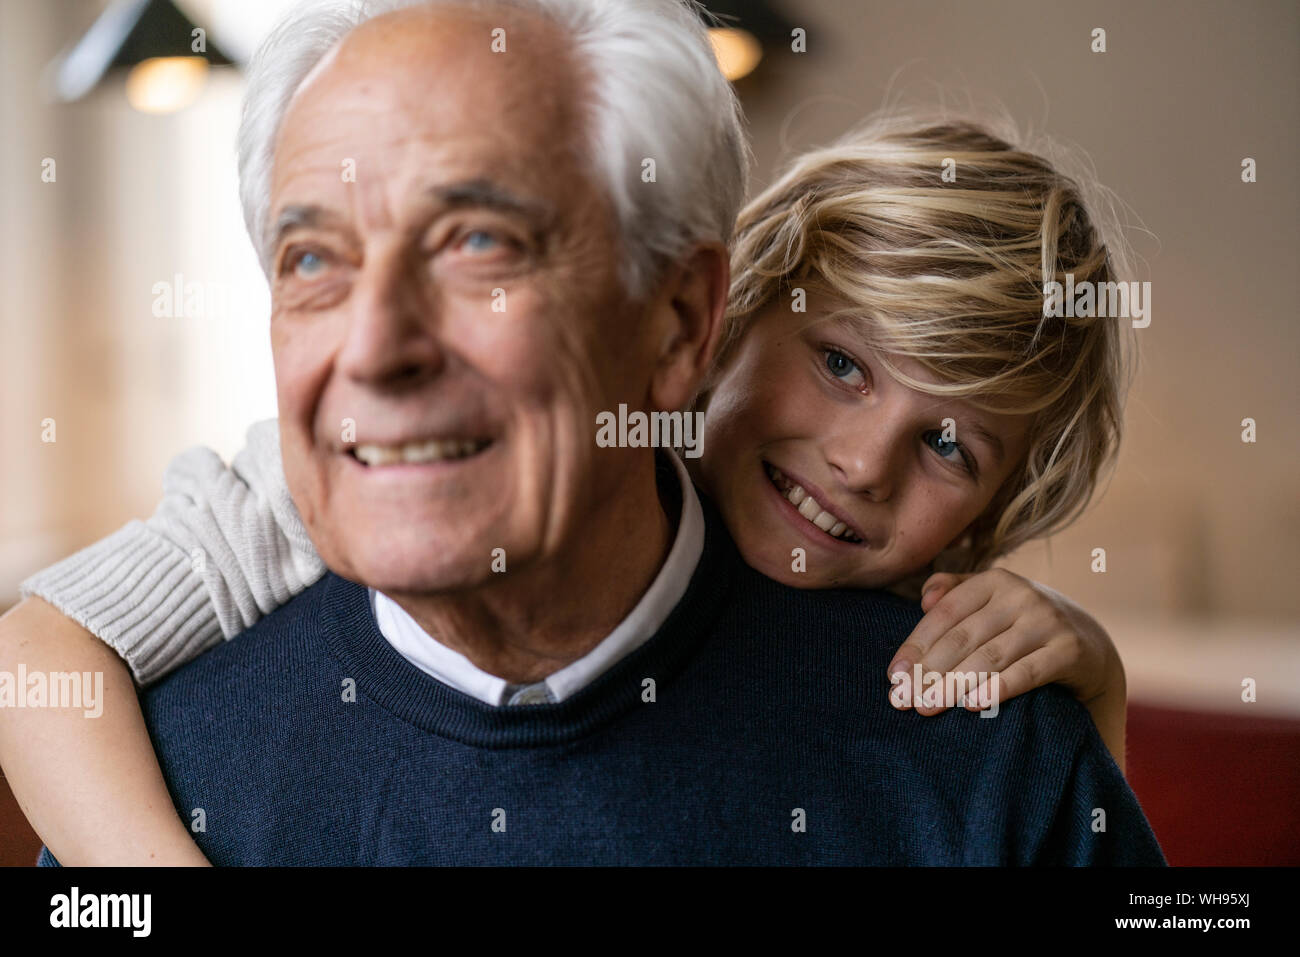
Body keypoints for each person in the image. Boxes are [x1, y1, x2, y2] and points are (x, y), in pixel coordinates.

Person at [1, 0, 1162, 865]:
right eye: (315, 261)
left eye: (483, 249)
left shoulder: (982, 741)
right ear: (737, 322)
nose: (858, 460)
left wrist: (1082, 701)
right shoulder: (181, 734)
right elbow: (33, 653)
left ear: (678, 322)